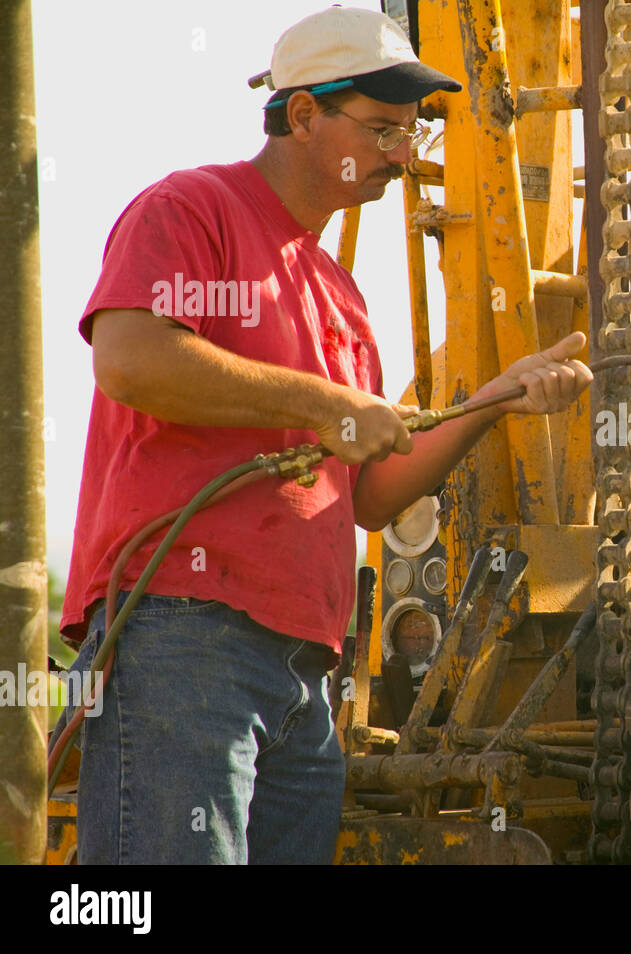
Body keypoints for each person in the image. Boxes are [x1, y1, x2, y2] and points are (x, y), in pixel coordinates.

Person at [54, 6, 592, 864]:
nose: (403, 153)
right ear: (303, 114)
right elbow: (130, 358)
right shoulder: (192, 208)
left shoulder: (339, 293)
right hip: (187, 632)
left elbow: (371, 497)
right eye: (382, 129)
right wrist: (325, 407)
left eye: (410, 133)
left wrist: (493, 401)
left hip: (306, 667)